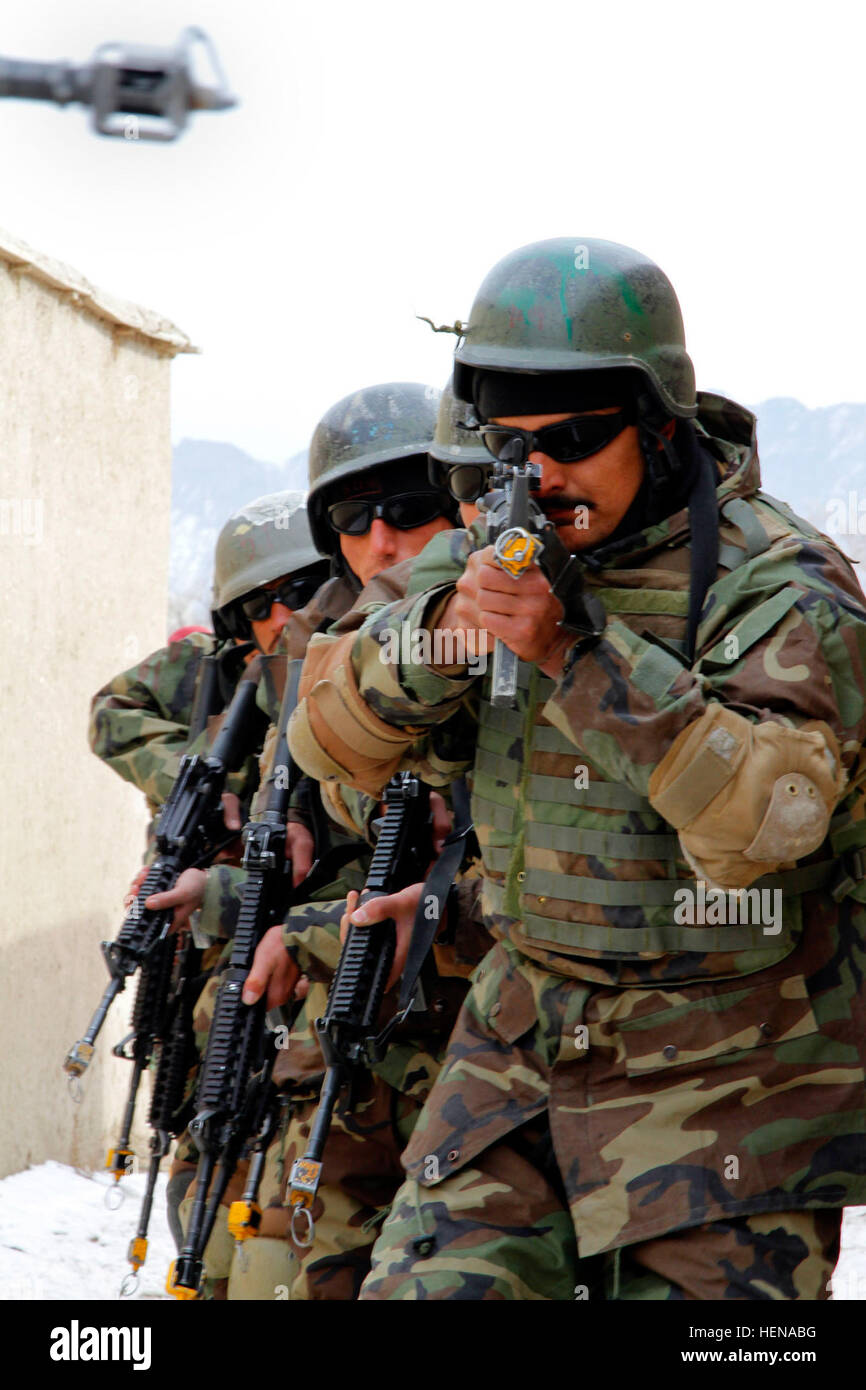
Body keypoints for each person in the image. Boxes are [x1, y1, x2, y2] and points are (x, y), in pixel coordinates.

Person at [289, 237, 866, 1301]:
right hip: (521, 1038)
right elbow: (322, 738)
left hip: (733, 1063)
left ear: (656, 425)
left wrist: (573, 651)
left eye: (573, 439)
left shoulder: (778, 580)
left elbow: (764, 826)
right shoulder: (473, 563)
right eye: (505, 450)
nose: (537, 476)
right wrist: (445, 636)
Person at [90, 492, 327, 1250]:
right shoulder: (210, 674)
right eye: (263, 603)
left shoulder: (350, 687)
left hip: (292, 959)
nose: (284, 615)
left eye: (302, 590)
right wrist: (200, 779)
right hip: (201, 958)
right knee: (197, 1139)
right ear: (236, 621)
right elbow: (112, 711)